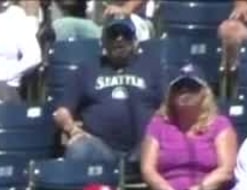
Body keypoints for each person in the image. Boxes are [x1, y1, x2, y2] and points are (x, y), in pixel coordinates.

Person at [51, 16, 163, 166]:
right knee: (79, 148)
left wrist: (158, 128)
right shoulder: (87, 69)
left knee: (168, 145)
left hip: (144, 146)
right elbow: (61, 111)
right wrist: (73, 131)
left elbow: (168, 105)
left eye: (125, 34)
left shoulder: (152, 67)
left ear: (135, 41)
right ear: (103, 41)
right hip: (101, 148)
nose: (119, 39)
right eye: (113, 34)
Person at [137, 66, 237, 190]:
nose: (184, 92)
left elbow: (226, 170)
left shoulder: (220, 124)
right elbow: (148, 170)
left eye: (192, 88)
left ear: (204, 92)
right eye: (179, 88)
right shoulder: (157, 125)